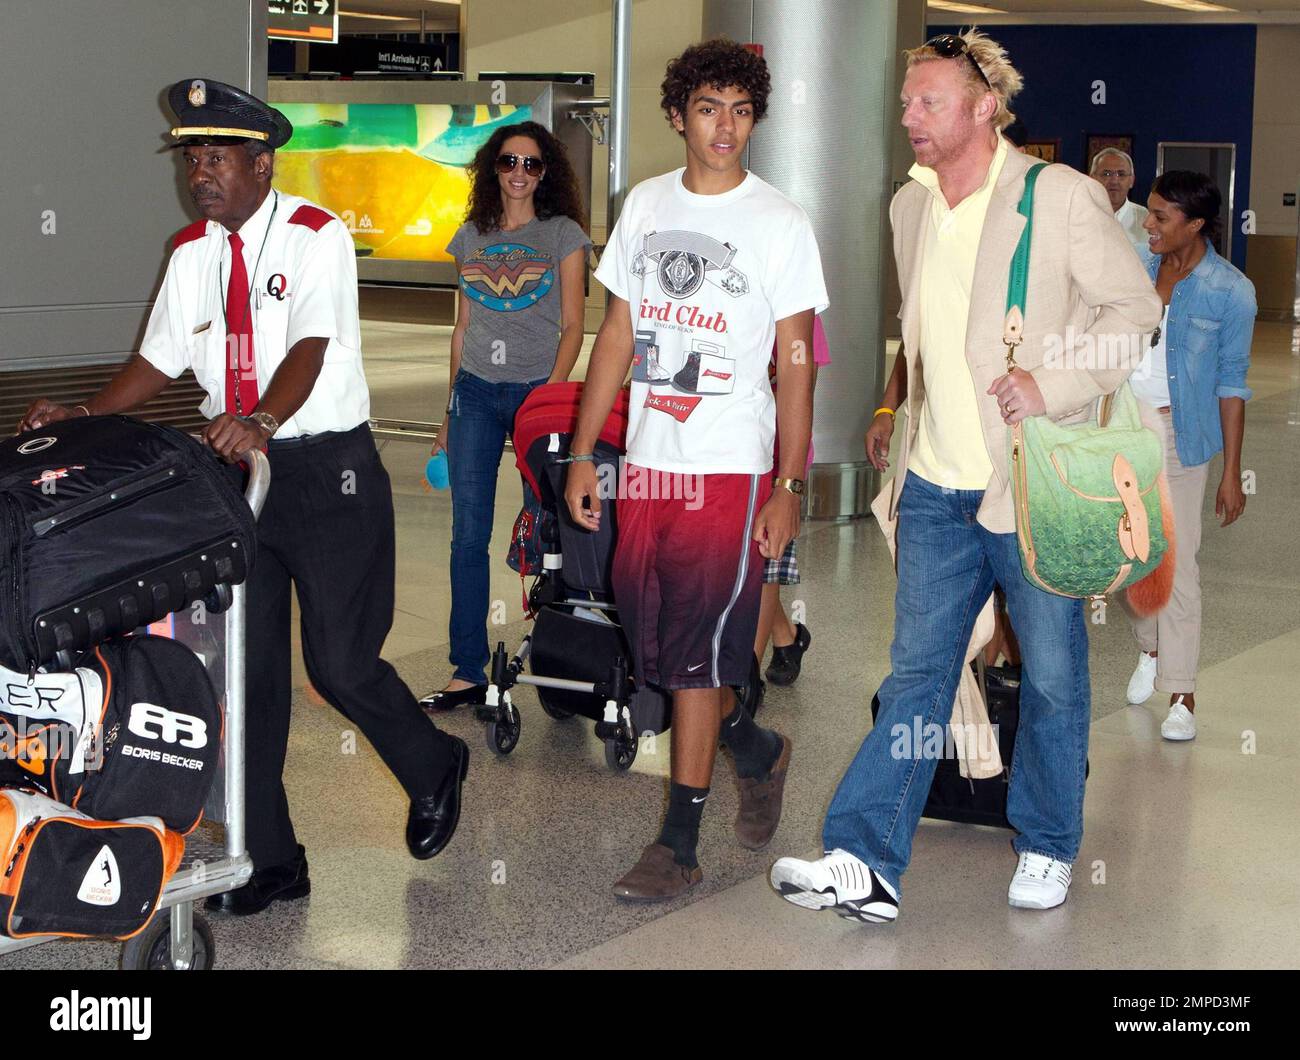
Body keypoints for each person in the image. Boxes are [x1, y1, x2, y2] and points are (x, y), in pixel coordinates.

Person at [18, 79, 470, 916]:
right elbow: (155, 362)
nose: (199, 171)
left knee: (339, 664)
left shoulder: (314, 235)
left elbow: (309, 343)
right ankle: (271, 861)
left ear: (261, 164)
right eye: (192, 157)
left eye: (215, 156)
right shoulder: (190, 253)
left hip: (325, 470)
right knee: (247, 677)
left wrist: (260, 416)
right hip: (239, 483)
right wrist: (81, 414)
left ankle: (433, 763)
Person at [771, 29, 1161, 921]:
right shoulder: (910, 206)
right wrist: (889, 412)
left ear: (985, 107)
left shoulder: (1054, 198)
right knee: (918, 677)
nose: (909, 116)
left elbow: (1134, 312)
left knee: (1057, 676)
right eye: (907, 102)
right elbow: (920, 328)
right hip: (937, 490)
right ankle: (865, 857)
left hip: (1031, 488)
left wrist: (1051, 382)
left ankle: (1051, 841)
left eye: (928, 101)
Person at [564, 38, 828, 900]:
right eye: (711, 108)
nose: (727, 127)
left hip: (730, 469)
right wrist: (581, 451)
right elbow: (615, 336)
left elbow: (797, 362)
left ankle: (678, 844)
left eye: (743, 110)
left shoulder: (780, 222)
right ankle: (756, 748)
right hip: (647, 464)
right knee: (653, 648)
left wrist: (789, 486)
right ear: (679, 115)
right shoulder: (643, 204)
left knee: (698, 663)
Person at [420, 122, 590, 711]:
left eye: (533, 164)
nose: (520, 172)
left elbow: (574, 325)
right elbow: (462, 328)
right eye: (510, 161)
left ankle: (561, 654)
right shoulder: (469, 236)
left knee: (547, 530)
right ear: (494, 167)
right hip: (475, 395)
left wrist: (551, 396)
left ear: (547, 174)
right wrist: (447, 412)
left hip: (534, 399)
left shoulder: (563, 235)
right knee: (467, 535)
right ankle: (466, 669)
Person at [1123, 171, 1256, 740]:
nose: (1148, 224)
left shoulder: (1231, 291)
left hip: (1181, 439)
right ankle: (1152, 649)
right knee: (1131, 556)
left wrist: (1232, 473)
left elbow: (1232, 384)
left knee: (1178, 566)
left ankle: (1183, 692)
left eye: (1160, 217)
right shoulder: (1136, 268)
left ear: (1196, 224)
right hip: (1125, 432)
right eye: (1148, 213)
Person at [755, 315, 831, 687]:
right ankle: (786, 637)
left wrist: (789, 482)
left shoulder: (804, 314)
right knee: (751, 566)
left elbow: (803, 385)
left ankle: (744, 677)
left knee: (765, 565)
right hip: (732, 450)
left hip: (780, 457)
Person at [1090, 147, 1149, 255]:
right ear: (1092, 179)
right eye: (1106, 174)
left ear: (1131, 180)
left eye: (1121, 174)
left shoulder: (1146, 219)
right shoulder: (1077, 215)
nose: (1114, 181)